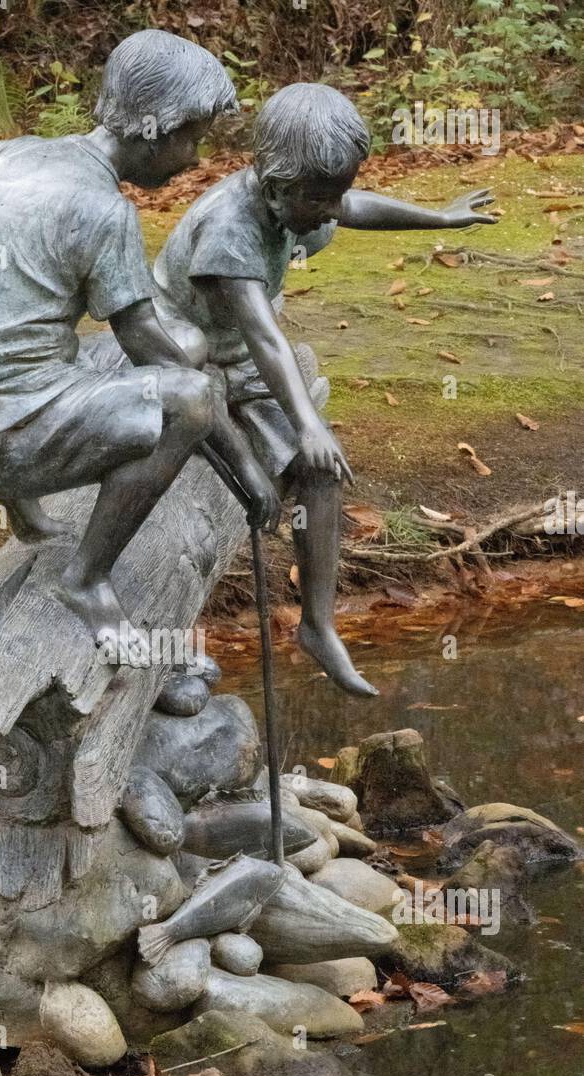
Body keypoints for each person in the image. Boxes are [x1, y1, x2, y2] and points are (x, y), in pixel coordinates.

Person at [0, 30, 278, 654]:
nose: (197, 159)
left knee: (164, 342)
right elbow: (160, 360)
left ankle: (29, 513)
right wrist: (246, 467)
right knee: (188, 396)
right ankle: (86, 578)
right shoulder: (106, 212)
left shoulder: (12, 154)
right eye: (193, 138)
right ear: (156, 129)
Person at [153, 82, 496, 696]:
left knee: (322, 471)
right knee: (220, 385)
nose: (334, 211)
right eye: (323, 198)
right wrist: (306, 420)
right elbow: (263, 335)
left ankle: (317, 625)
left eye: (335, 194)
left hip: (243, 365)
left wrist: (440, 217)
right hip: (186, 360)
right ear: (275, 183)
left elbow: (358, 207)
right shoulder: (229, 227)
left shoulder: (302, 201)